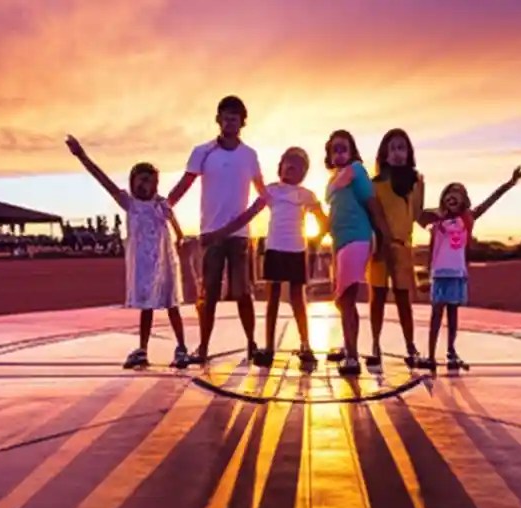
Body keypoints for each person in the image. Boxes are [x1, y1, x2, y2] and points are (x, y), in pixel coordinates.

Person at [66, 134, 190, 369]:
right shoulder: (130, 203)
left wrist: (181, 236)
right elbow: (103, 180)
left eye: (151, 181)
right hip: (143, 264)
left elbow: (174, 222)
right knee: (146, 307)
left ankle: (181, 346)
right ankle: (143, 349)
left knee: (171, 304)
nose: (146, 185)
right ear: (133, 182)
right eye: (142, 180)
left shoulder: (160, 204)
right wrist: (81, 155)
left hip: (164, 262)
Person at [167, 95, 266, 364]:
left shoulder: (249, 155)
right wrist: (165, 204)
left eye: (235, 117)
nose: (230, 121)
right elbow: (185, 183)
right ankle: (203, 347)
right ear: (218, 120)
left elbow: (262, 193)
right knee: (208, 292)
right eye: (226, 117)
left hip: (240, 236)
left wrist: (255, 213)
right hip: (211, 234)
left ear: (242, 122)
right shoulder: (203, 151)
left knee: (243, 291)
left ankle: (251, 344)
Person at [222, 147, 330, 369]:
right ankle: (269, 346)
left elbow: (323, 220)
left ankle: (305, 344)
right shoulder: (271, 191)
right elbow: (252, 211)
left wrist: (316, 240)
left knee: (298, 298)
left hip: (297, 250)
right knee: (272, 299)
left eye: (297, 166)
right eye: (288, 163)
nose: (291, 168)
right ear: (280, 167)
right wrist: (227, 229)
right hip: (274, 249)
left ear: (303, 173)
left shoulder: (306, 195)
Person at [419, 166, 521, 370]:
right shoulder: (436, 220)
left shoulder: (467, 218)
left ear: (464, 200)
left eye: (458, 192)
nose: (453, 196)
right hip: (439, 274)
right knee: (436, 315)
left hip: (457, 273)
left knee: (452, 315)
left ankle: (451, 352)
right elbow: (417, 216)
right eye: (450, 192)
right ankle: (430, 356)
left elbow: (490, 201)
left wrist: (510, 183)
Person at [324, 129, 393, 375]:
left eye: (344, 148)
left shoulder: (356, 171)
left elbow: (372, 204)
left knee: (346, 298)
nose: (339, 153)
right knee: (343, 299)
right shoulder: (334, 179)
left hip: (357, 239)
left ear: (352, 151)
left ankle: (352, 357)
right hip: (339, 242)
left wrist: (385, 237)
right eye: (334, 149)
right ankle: (348, 344)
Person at [367, 128, 425, 368]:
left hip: (402, 246)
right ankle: (375, 344)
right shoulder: (375, 184)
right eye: (392, 148)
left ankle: (410, 346)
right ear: (384, 154)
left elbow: (418, 214)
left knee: (403, 299)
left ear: (409, 152)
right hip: (380, 247)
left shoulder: (416, 182)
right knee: (377, 297)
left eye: (402, 148)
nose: (397, 153)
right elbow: (371, 215)